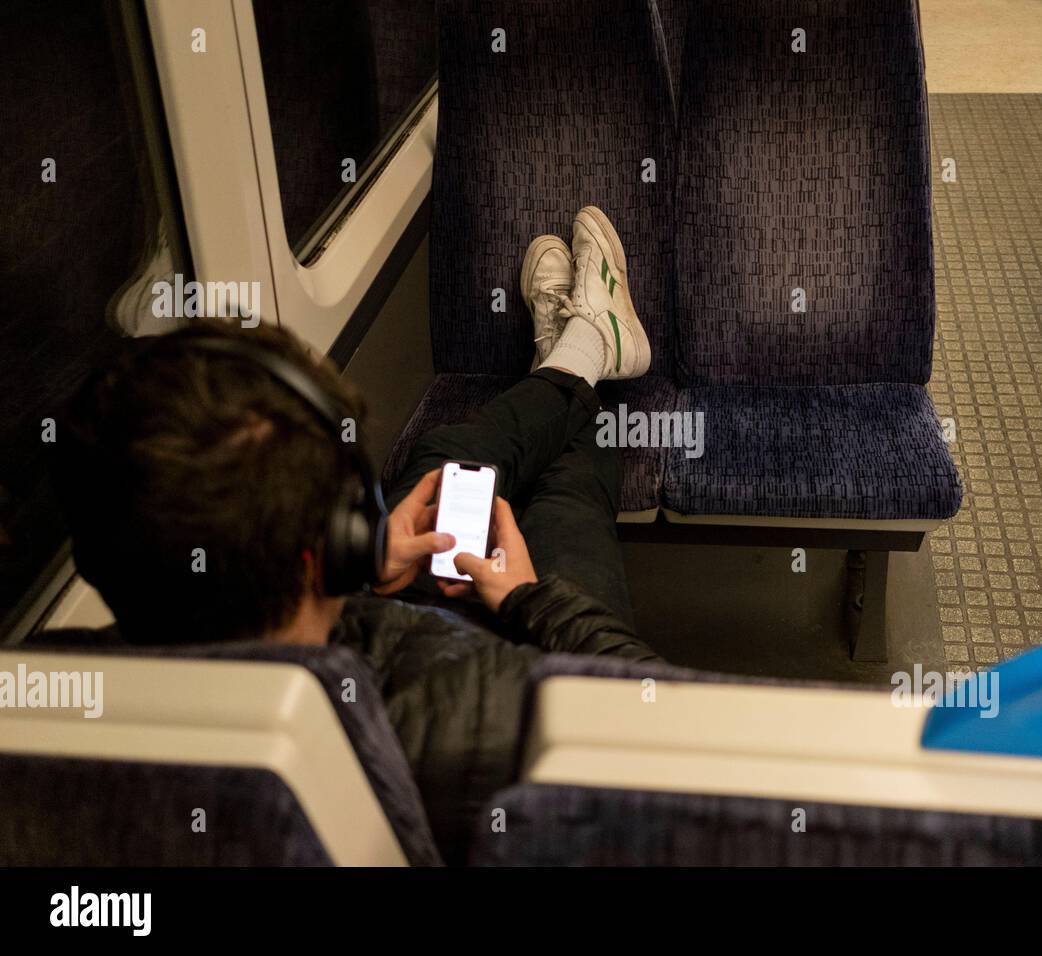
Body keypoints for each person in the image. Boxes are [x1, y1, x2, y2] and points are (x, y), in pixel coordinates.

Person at [46, 207, 659, 864]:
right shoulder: (484, 719)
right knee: (562, 489)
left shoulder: (50, 684)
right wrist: (527, 598)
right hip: (498, 638)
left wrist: (369, 565)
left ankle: (570, 360)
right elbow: (665, 725)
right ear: (328, 551)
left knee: (445, 458)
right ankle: (584, 350)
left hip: (371, 606)